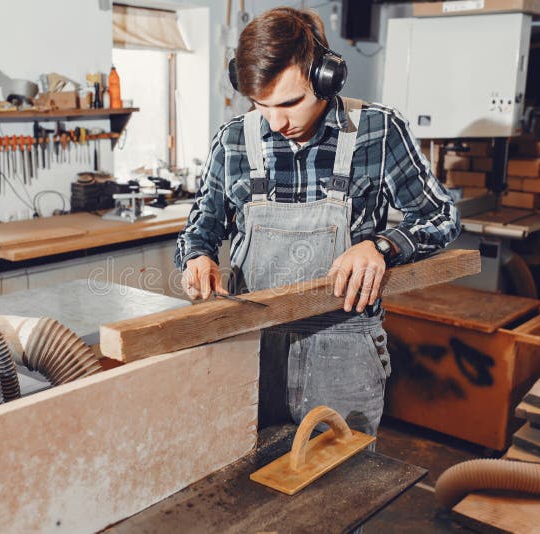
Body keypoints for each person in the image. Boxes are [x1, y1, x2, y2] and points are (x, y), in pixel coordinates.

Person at [174, 7, 460, 437]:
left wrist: (382, 246)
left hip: (345, 348)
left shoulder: (376, 131)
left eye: (290, 103)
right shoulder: (233, 139)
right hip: (253, 344)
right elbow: (202, 225)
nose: (276, 122)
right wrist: (197, 257)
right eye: (261, 104)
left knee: (343, 486)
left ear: (327, 77)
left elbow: (442, 215)